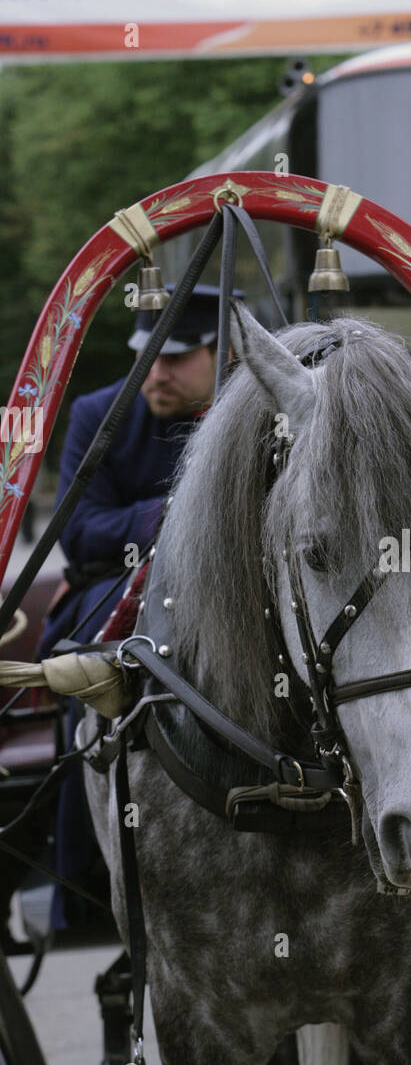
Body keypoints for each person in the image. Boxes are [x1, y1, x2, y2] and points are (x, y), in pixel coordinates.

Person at [37, 284, 238, 928]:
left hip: (236, 589)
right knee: (88, 672)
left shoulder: (254, 411)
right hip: (111, 588)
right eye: (146, 354)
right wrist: (179, 514)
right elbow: (79, 531)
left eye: (176, 357)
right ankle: (86, 882)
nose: (156, 372)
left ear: (222, 352)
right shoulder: (101, 412)